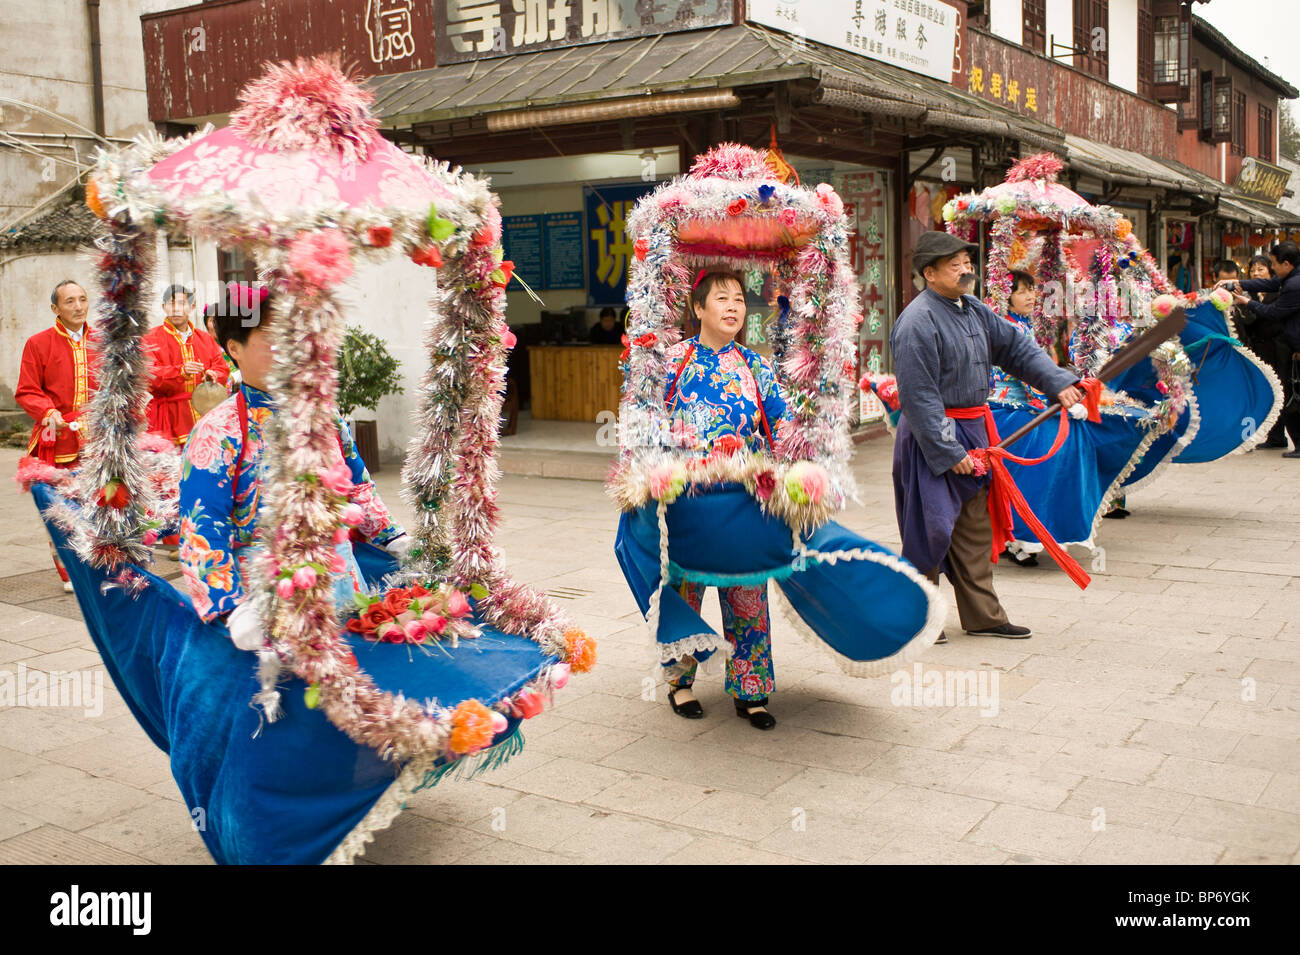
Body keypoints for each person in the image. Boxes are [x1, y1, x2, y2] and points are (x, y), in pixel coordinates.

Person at [179, 283, 412, 648]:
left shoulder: (323, 412)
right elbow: (201, 525)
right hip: (267, 600)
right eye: (272, 337)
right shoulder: (217, 431)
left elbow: (357, 484)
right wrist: (231, 608)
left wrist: (394, 537)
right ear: (234, 349)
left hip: (341, 582)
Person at [891, 232, 1083, 644]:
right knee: (931, 529)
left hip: (976, 430)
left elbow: (1018, 350)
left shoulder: (974, 309)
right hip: (934, 435)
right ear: (929, 273)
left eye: (966, 261)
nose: (966, 270)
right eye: (955, 264)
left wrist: (1058, 383)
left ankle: (983, 615)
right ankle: (919, 619)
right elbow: (918, 395)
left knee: (974, 529)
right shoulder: (916, 321)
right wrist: (948, 448)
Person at [659, 269, 786, 729]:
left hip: (743, 501)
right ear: (697, 308)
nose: (733, 306)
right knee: (684, 593)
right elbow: (643, 425)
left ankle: (751, 689)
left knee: (748, 592)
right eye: (721, 298)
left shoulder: (757, 367)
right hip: (688, 501)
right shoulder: (669, 363)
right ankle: (680, 682)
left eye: (739, 299)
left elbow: (781, 424)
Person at [15, 280, 99, 591]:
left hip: (97, 438)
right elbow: (27, 390)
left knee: (99, 503)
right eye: (69, 301)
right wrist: (49, 411)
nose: (78, 307)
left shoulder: (101, 342)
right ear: (55, 308)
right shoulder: (38, 344)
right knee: (60, 508)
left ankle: (97, 562)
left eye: (82, 299)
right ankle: (68, 570)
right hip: (56, 437)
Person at [1225, 241, 1300, 455]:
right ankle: (1276, 437)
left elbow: (1274, 313)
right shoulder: (1290, 279)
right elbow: (1269, 284)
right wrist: (1239, 284)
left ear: (1286, 263)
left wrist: (1245, 303)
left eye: (1273, 264)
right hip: (1275, 349)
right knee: (1280, 392)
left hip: (1284, 349)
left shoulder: (1294, 285)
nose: (1272, 268)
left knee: (1291, 394)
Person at [144, 284, 229, 446]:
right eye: (171, 304)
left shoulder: (204, 338)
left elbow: (222, 368)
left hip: (203, 415)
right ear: (163, 307)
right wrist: (180, 371)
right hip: (168, 416)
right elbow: (149, 375)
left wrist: (213, 375)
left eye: (182, 304)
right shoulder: (151, 338)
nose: (176, 309)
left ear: (192, 307)